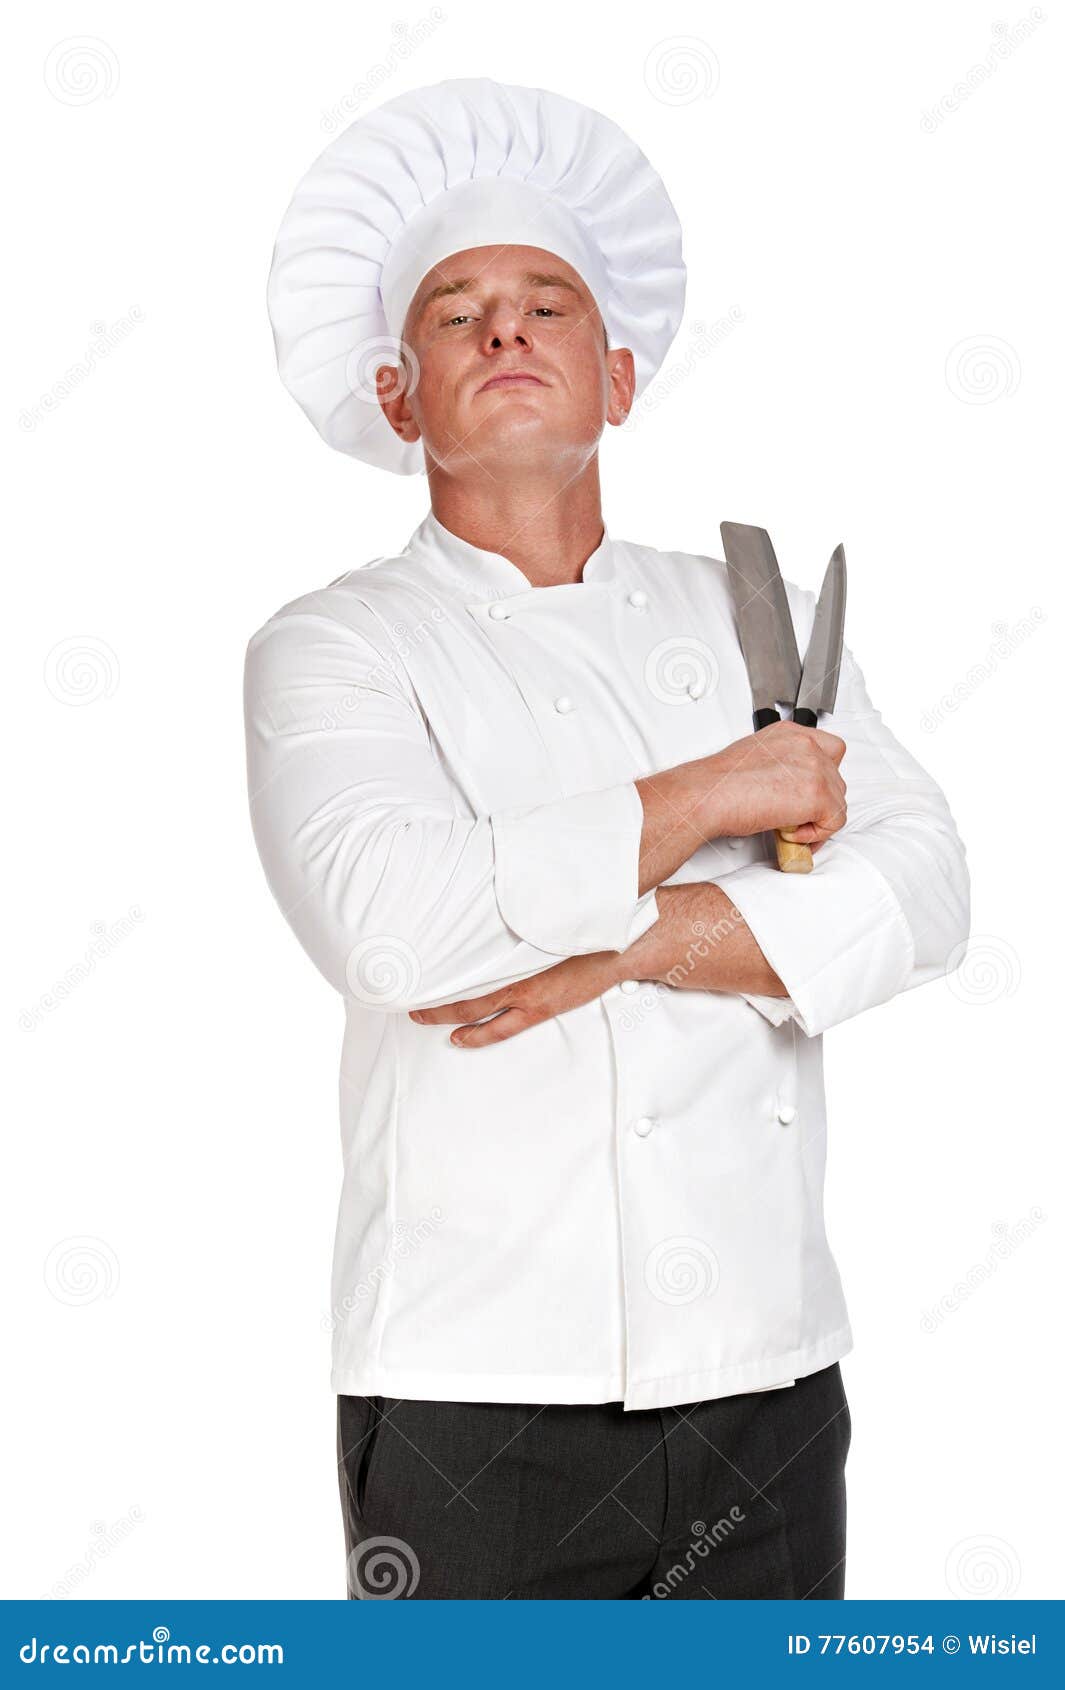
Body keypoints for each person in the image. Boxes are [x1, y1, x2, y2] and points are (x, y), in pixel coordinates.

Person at [246, 77, 970, 1600]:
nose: (505, 332)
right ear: (396, 397)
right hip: (470, 1387)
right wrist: (716, 797)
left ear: (619, 376)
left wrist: (634, 943)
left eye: (545, 304)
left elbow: (921, 882)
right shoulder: (333, 647)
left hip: (767, 1381)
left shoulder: (742, 604)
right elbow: (395, 927)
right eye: (455, 313)